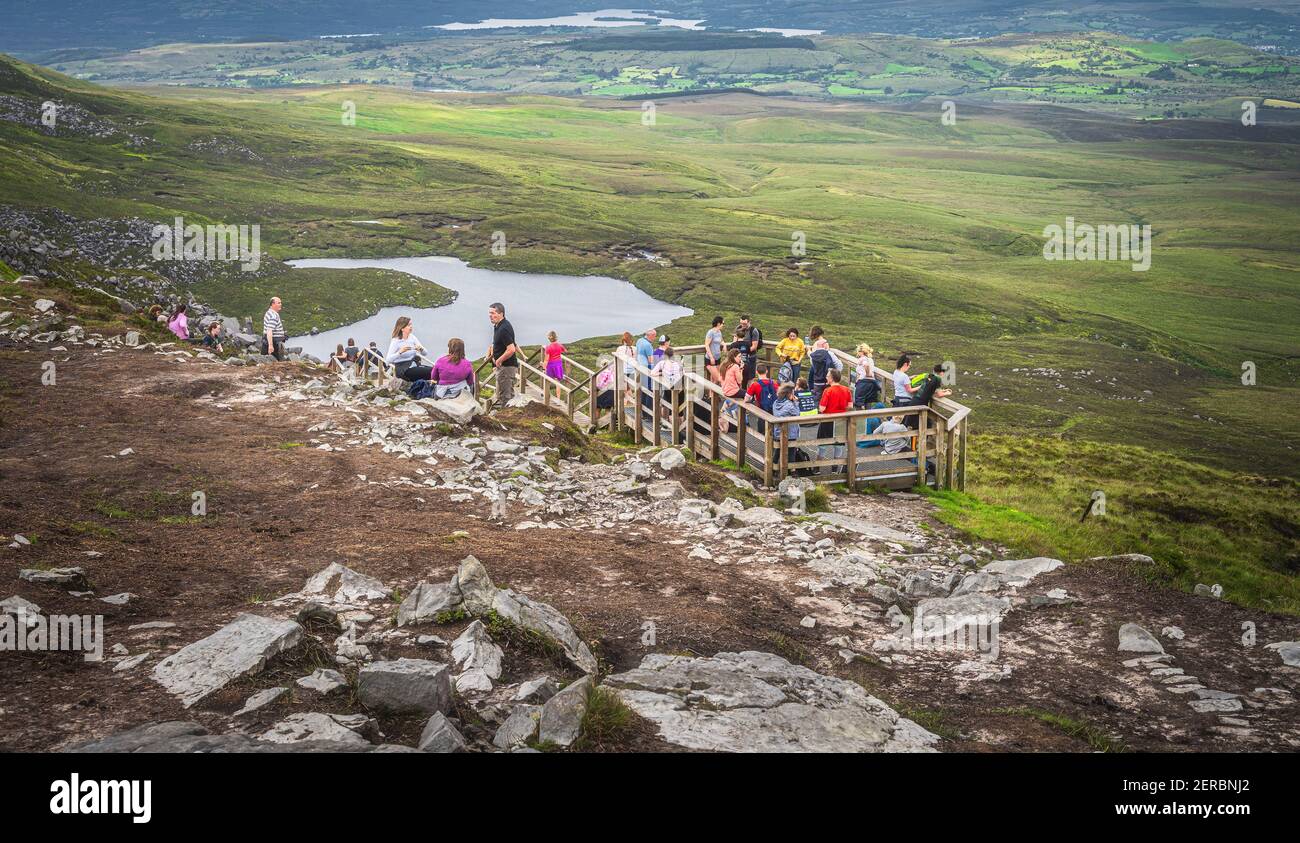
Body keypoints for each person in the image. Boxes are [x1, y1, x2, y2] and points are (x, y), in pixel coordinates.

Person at [817, 368, 853, 463]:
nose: (826, 377)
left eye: (827, 376)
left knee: (822, 444)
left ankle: (817, 467)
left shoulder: (828, 391)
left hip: (827, 421)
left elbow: (822, 409)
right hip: (841, 421)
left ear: (831, 379)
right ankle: (835, 468)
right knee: (839, 444)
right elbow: (850, 406)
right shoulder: (847, 390)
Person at [487, 302, 518, 408]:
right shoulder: (498, 325)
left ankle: (507, 420)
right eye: (489, 313)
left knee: (505, 396)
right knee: (504, 394)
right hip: (505, 367)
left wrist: (499, 360)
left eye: (493, 313)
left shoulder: (504, 328)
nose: (490, 315)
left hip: (506, 367)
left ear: (501, 314)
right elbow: (497, 344)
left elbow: (511, 349)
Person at [904, 363, 953, 430]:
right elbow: (939, 394)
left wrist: (943, 390)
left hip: (915, 400)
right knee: (923, 425)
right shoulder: (938, 379)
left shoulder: (929, 376)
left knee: (909, 423)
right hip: (921, 403)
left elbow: (930, 389)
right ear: (941, 372)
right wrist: (947, 393)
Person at [772, 382, 806, 471]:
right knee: (791, 451)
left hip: (778, 431)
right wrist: (796, 402)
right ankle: (792, 470)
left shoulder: (776, 402)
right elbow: (797, 414)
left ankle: (773, 468)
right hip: (790, 432)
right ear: (789, 394)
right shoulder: (790, 405)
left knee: (777, 451)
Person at [386, 316, 431, 382]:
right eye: (408, 325)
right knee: (432, 371)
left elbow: (425, 353)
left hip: (414, 365)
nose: (411, 327)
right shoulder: (396, 341)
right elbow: (387, 360)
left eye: (411, 324)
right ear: (402, 328)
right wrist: (400, 352)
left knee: (436, 370)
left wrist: (420, 349)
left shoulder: (412, 337)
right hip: (403, 368)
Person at [743, 362, 779, 433]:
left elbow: (746, 399)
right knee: (772, 431)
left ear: (756, 372)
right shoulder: (774, 383)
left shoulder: (755, 385)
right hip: (773, 410)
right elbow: (779, 394)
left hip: (761, 410)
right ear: (767, 371)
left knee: (762, 433)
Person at [718, 348, 744, 432]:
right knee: (750, 396)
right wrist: (741, 369)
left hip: (725, 390)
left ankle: (728, 406)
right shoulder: (735, 366)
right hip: (733, 392)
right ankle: (733, 411)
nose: (741, 358)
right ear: (734, 357)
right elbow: (740, 381)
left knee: (743, 394)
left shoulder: (723, 364)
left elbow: (720, 379)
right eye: (739, 356)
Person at [853, 343, 882, 408]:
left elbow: (866, 365)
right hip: (871, 383)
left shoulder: (863, 358)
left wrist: (867, 373)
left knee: (858, 404)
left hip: (863, 383)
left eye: (858, 351)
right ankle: (867, 417)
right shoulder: (870, 359)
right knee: (868, 403)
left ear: (861, 352)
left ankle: (859, 417)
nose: (857, 353)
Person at [736, 315, 762, 388]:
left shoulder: (754, 331)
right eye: (741, 323)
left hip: (750, 357)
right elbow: (735, 340)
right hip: (739, 357)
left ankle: (750, 394)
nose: (742, 325)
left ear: (749, 322)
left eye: (744, 324)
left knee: (750, 378)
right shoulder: (738, 328)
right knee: (739, 376)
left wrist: (744, 352)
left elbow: (754, 346)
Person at [262, 296, 286, 361]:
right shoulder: (273, 316)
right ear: (273, 304)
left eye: (280, 303)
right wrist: (270, 345)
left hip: (269, 342)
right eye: (278, 303)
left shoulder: (269, 312)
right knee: (276, 365)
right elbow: (269, 331)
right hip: (274, 344)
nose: (280, 304)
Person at [704, 315, 725, 381]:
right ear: (718, 323)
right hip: (710, 359)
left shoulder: (719, 332)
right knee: (718, 378)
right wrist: (711, 357)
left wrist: (724, 345)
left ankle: (711, 391)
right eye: (723, 323)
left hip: (718, 358)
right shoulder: (710, 332)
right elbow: (707, 345)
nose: (723, 325)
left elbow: (721, 341)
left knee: (714, 380)